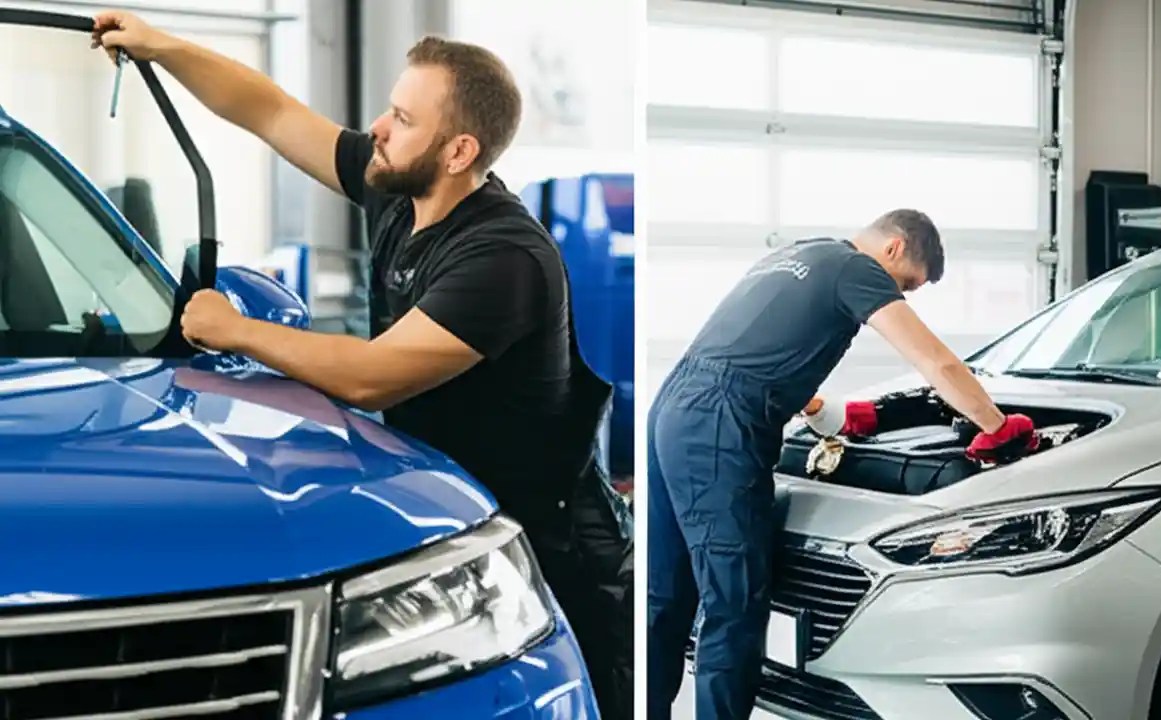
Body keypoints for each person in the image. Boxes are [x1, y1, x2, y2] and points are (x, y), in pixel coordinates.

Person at [89, 11, 630, 718]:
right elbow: (271, 111)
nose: (378, 126)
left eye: (402, 117)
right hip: (456, 524)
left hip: (551, 554)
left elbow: (373, 374)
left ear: (458, 150)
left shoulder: (502, 258)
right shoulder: (400, 191)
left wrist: (237, 330)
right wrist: (162, 45)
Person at [646, 209, 1038, 719]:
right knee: (733, 605)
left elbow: (759, 346)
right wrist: (994, 425)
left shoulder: (800, 252)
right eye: (906, 286)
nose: (899, 294)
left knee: (666, 599)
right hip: (717, 427)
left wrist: (818, 408)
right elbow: (934, 360)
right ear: (894, 248)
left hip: (675, 408)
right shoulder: (858, 269)